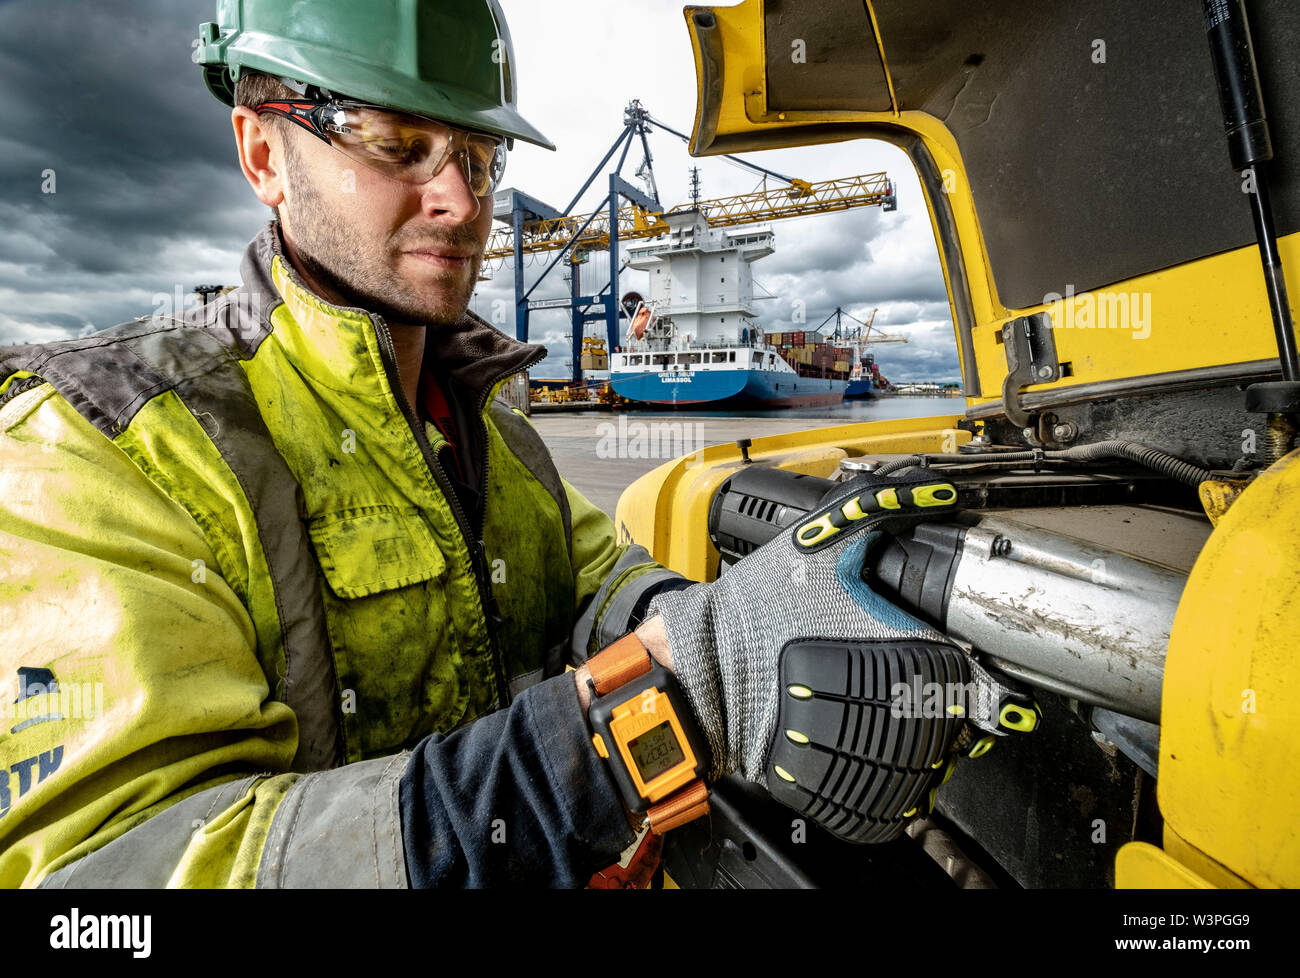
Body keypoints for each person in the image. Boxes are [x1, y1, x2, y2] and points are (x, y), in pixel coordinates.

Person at [0, 0, 973, 888]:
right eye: (393, 144)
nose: (461, 204)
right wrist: (644, 717)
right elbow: (114, 879)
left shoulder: (492, 422)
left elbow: (591, 585)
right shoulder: (102, 445)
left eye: (477, 158)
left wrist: (747, 627)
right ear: (261, 155)